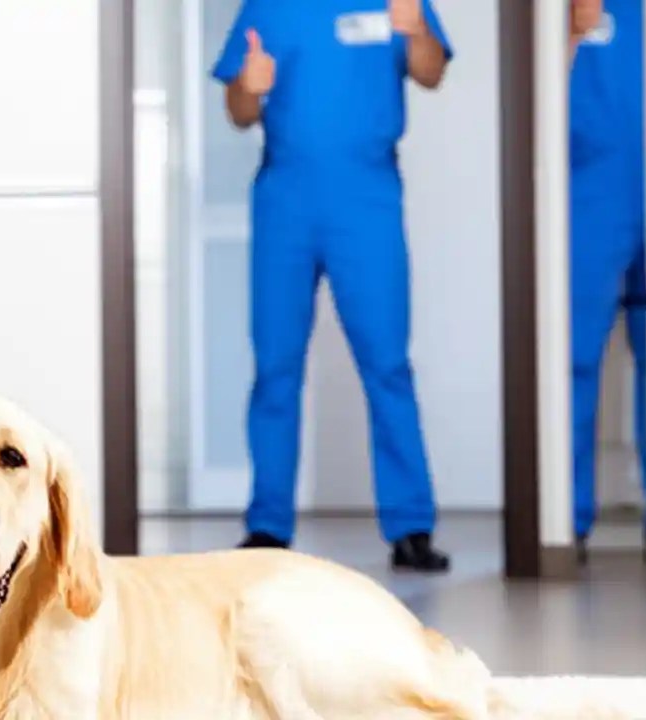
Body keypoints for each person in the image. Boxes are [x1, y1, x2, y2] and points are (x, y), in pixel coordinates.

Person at [212, 0, 454, 572]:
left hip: (367, 199)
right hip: (284, 199)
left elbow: (431, 72)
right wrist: (248, 87)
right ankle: (268, 524)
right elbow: (239, 111)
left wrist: (417, 30)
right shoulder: (267, 6)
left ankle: (411, 526)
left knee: (387, 364)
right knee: (275, 366)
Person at [567, 0, 646, 561]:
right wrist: (573, 31)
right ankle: (566, 518)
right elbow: (536, 91)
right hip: (591, 193)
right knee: (573, 359)